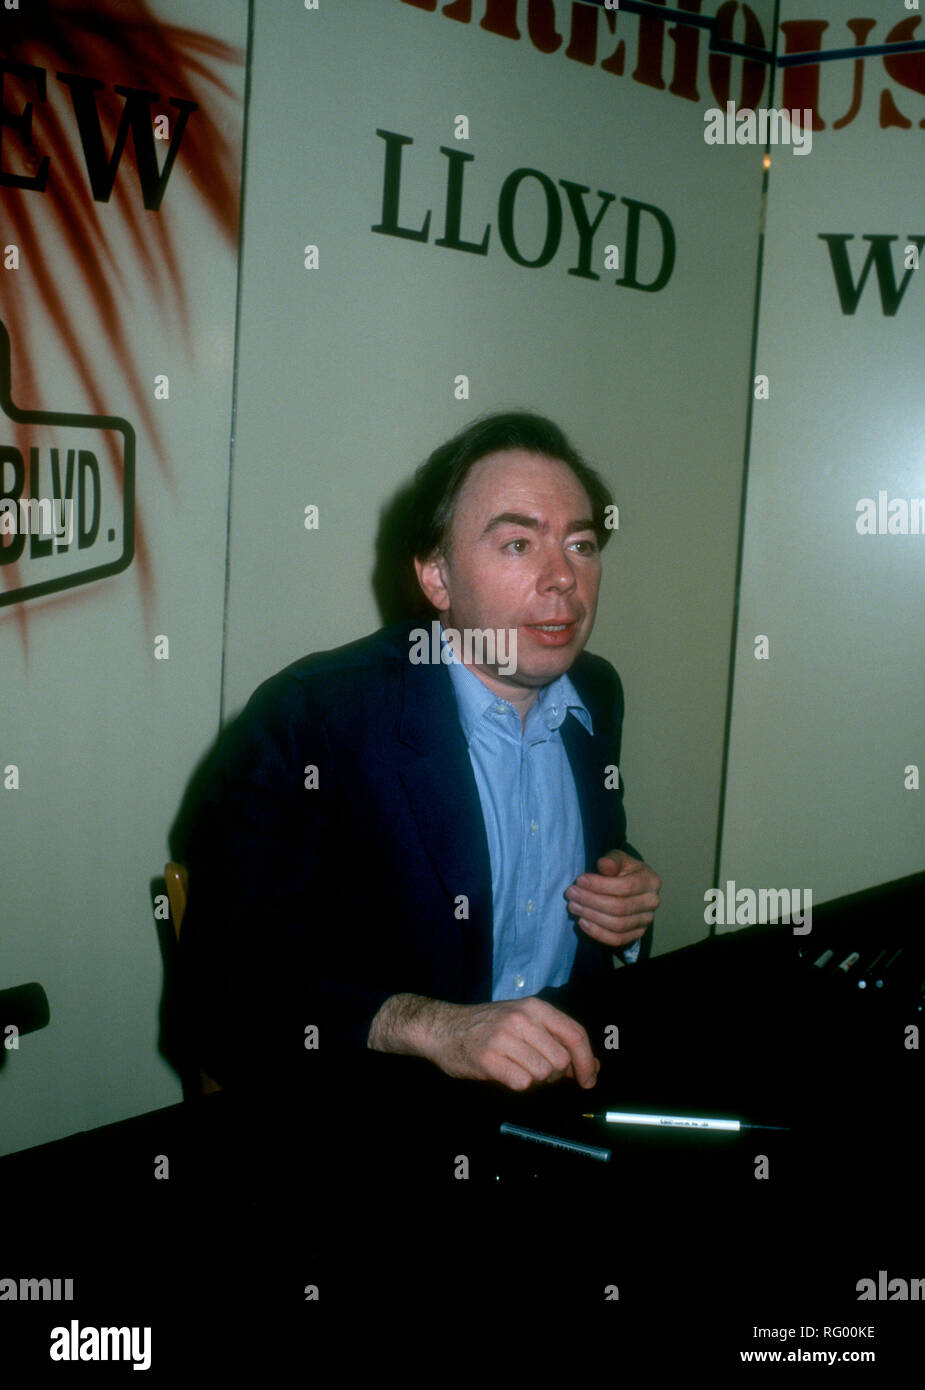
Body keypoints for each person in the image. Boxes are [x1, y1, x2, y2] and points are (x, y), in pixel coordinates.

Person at [178, 412, 660, 1096]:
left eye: (579, 544)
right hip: (377, 1110)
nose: (561, 578)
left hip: (566, 1084)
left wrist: (623, 897)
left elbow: (577, 862)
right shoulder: (312, 718)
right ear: (436, 577)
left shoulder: (594, 691)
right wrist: (436, 1029)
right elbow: (224, 991)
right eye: (518, 544)